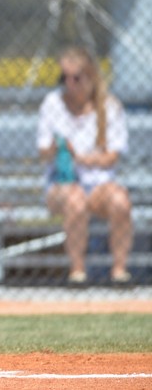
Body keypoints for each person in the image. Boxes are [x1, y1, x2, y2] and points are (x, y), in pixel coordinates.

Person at [37, 46, 132, 285]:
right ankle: (77, 272)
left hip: (99, 183)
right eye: (64, 78)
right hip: (62, 184)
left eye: (76, 78)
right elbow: (43, 153)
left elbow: (111, 157)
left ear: (90, 77)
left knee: (120, 200)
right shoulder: (52, 104)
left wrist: (80, 158)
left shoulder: (109, 107)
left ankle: (119, 272)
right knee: (76, 199)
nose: (69, 84)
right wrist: (57, 148)